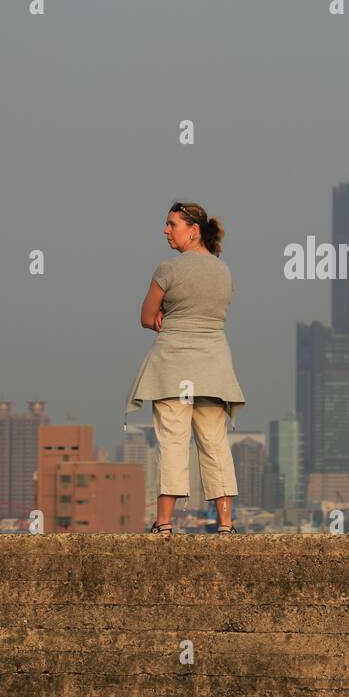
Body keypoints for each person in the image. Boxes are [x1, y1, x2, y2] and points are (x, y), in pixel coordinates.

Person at [126, 201, 245, 536]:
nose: (166, 231)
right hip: (213, 368)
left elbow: (147, 317)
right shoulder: (224, 271)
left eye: (172, 224)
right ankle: (225, 524)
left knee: (173, 442)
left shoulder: (168, 269)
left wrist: (167, 317)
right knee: (215, 443)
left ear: (193, 230)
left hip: (173, 366)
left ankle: (164, 524)